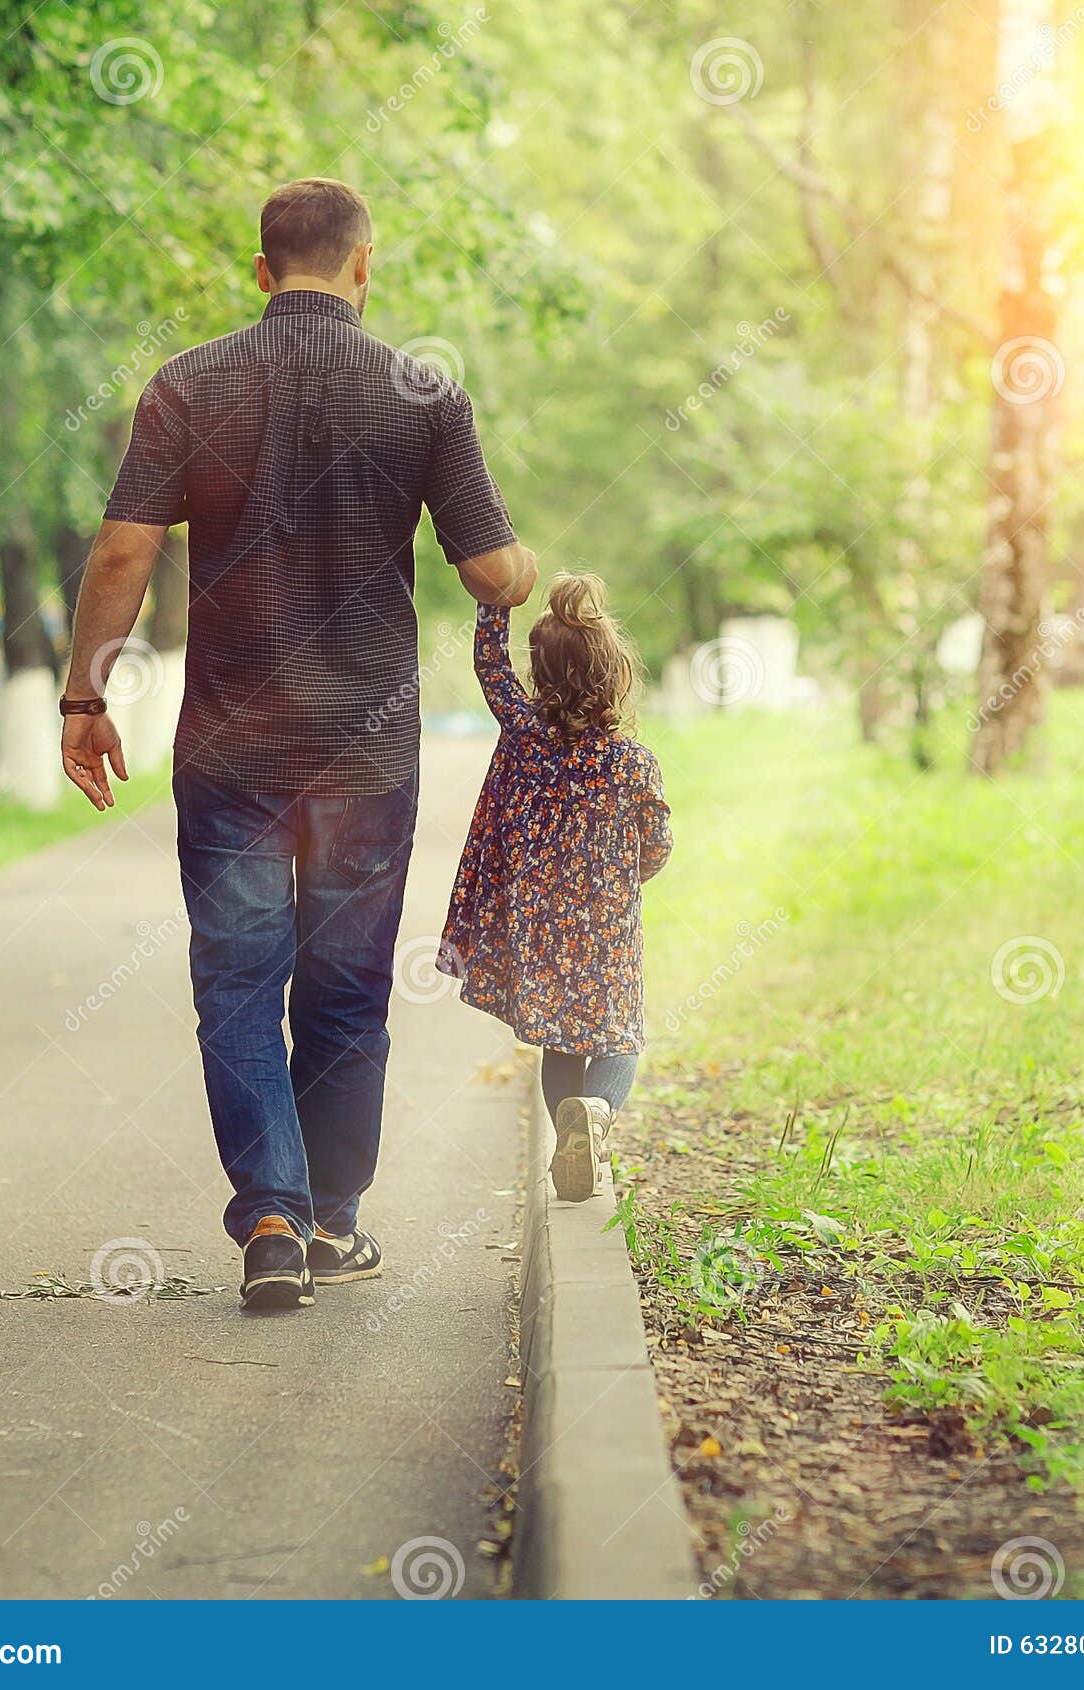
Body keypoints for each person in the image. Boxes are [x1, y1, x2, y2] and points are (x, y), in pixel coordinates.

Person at [58, 178, 536, 1310]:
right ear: (363, 268)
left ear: (262, 271)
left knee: (234, 982)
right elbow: (489, 571)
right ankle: (331, 1218)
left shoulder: (185, 386)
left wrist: (84, 697)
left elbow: (123, 553)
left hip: (231, 751)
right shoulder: (423, 392)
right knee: (345, 986)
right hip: (366, 753)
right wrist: (521, 573)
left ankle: (269, 1214)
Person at [438, 574, 672, 1201]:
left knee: (558, 1043)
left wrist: (496, 587)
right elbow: (657, 848)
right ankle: (595, 1118)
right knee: (620, 1038)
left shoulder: (524, 736)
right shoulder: (632, 761)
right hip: (607, 928)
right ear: (614, 673)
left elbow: (489, 660)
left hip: (539, 929)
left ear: (539, 674)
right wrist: (624, 877)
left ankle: (571, 1132)